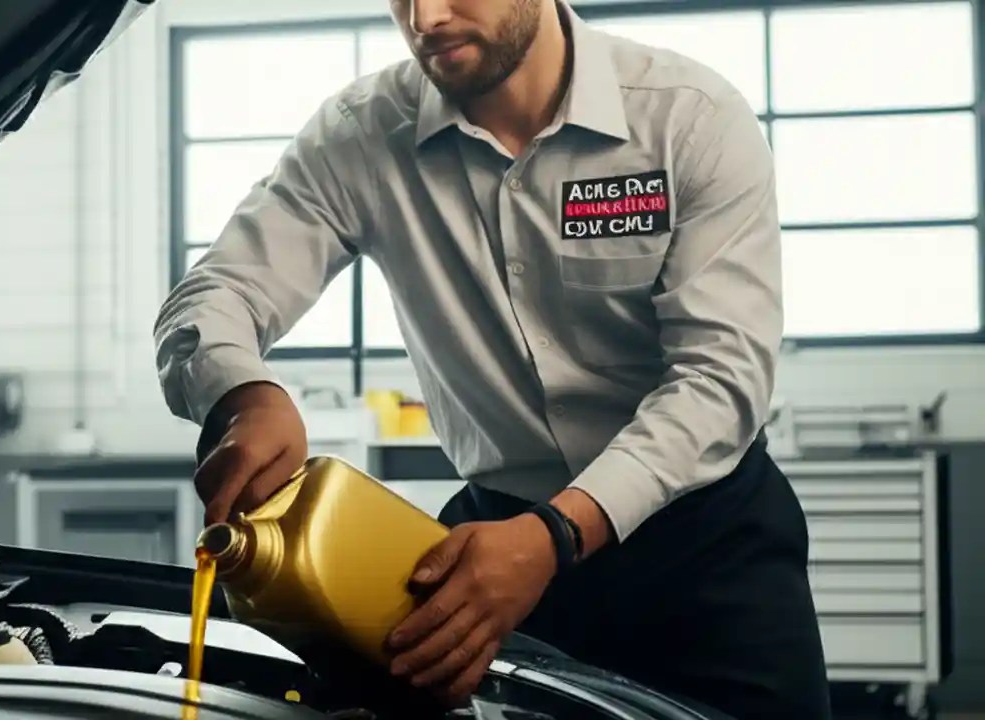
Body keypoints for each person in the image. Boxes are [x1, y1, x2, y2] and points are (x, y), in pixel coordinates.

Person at [154, 0, 832, 717]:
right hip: (493, 547)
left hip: (704, 549)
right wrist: (241, 395)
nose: (425, 18)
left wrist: (556, 536)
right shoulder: (360, 135)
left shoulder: (689, 119)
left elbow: (718, 379)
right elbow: (216, 293)